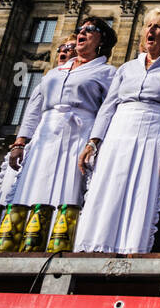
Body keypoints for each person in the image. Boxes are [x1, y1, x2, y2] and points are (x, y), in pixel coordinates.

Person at [74, 7, 160, 254]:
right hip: (120, 130)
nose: (151, 30)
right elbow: (108, 107)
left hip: (154, 131)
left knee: (142, 190)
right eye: (148, 26)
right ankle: (94, 246)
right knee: (107, 186)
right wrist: (93, 142)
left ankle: (132, 246)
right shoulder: (127, 68)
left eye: (158, 27)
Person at [7, 18, 117, 208]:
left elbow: (108, 111)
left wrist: (94, 142)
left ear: (102, 40)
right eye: (80, 28)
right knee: (33, 184)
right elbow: (34, 109)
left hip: (79, 136)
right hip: (45, 135)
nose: (82, 32)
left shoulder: (107, 72)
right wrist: (20, 142)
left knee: (68, 188)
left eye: (90, 29)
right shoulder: (53, 73)